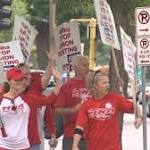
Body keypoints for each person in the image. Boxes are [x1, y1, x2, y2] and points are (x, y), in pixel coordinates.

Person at [72, 68, 143, 150]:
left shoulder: (115, 99)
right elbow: (79, 127)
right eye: (104, 83)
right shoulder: (86, 104)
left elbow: (135, 107)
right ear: (95, 85)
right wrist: (75, 145)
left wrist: (139, 117)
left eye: (108, 82)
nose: (107, 85)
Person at [0, 67, 61, 150]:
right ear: (9, 81)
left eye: (21, 79)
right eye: (16, 80)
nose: (20, 82)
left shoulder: (28, 99)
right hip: (4, 146)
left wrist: (58, 81)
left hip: (23, 146)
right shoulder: (1, 99)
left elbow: (50, 100)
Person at [17, 62, 59, 150]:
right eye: (26, 74)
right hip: (15, 143)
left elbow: (49, 119)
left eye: (29, 74)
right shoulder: (8, 96)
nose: (29, 77)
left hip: (34, 142)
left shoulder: (33, 97)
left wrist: (53, 135)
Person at [54, 55, 91, 150]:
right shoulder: (67, 86)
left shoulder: (93, 85)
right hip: (71, 134)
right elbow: (57, 110)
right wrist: (73, 110)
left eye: (88, 65)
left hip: (91, 135)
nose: (88, 68)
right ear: (75, 67)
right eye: (84, 65)